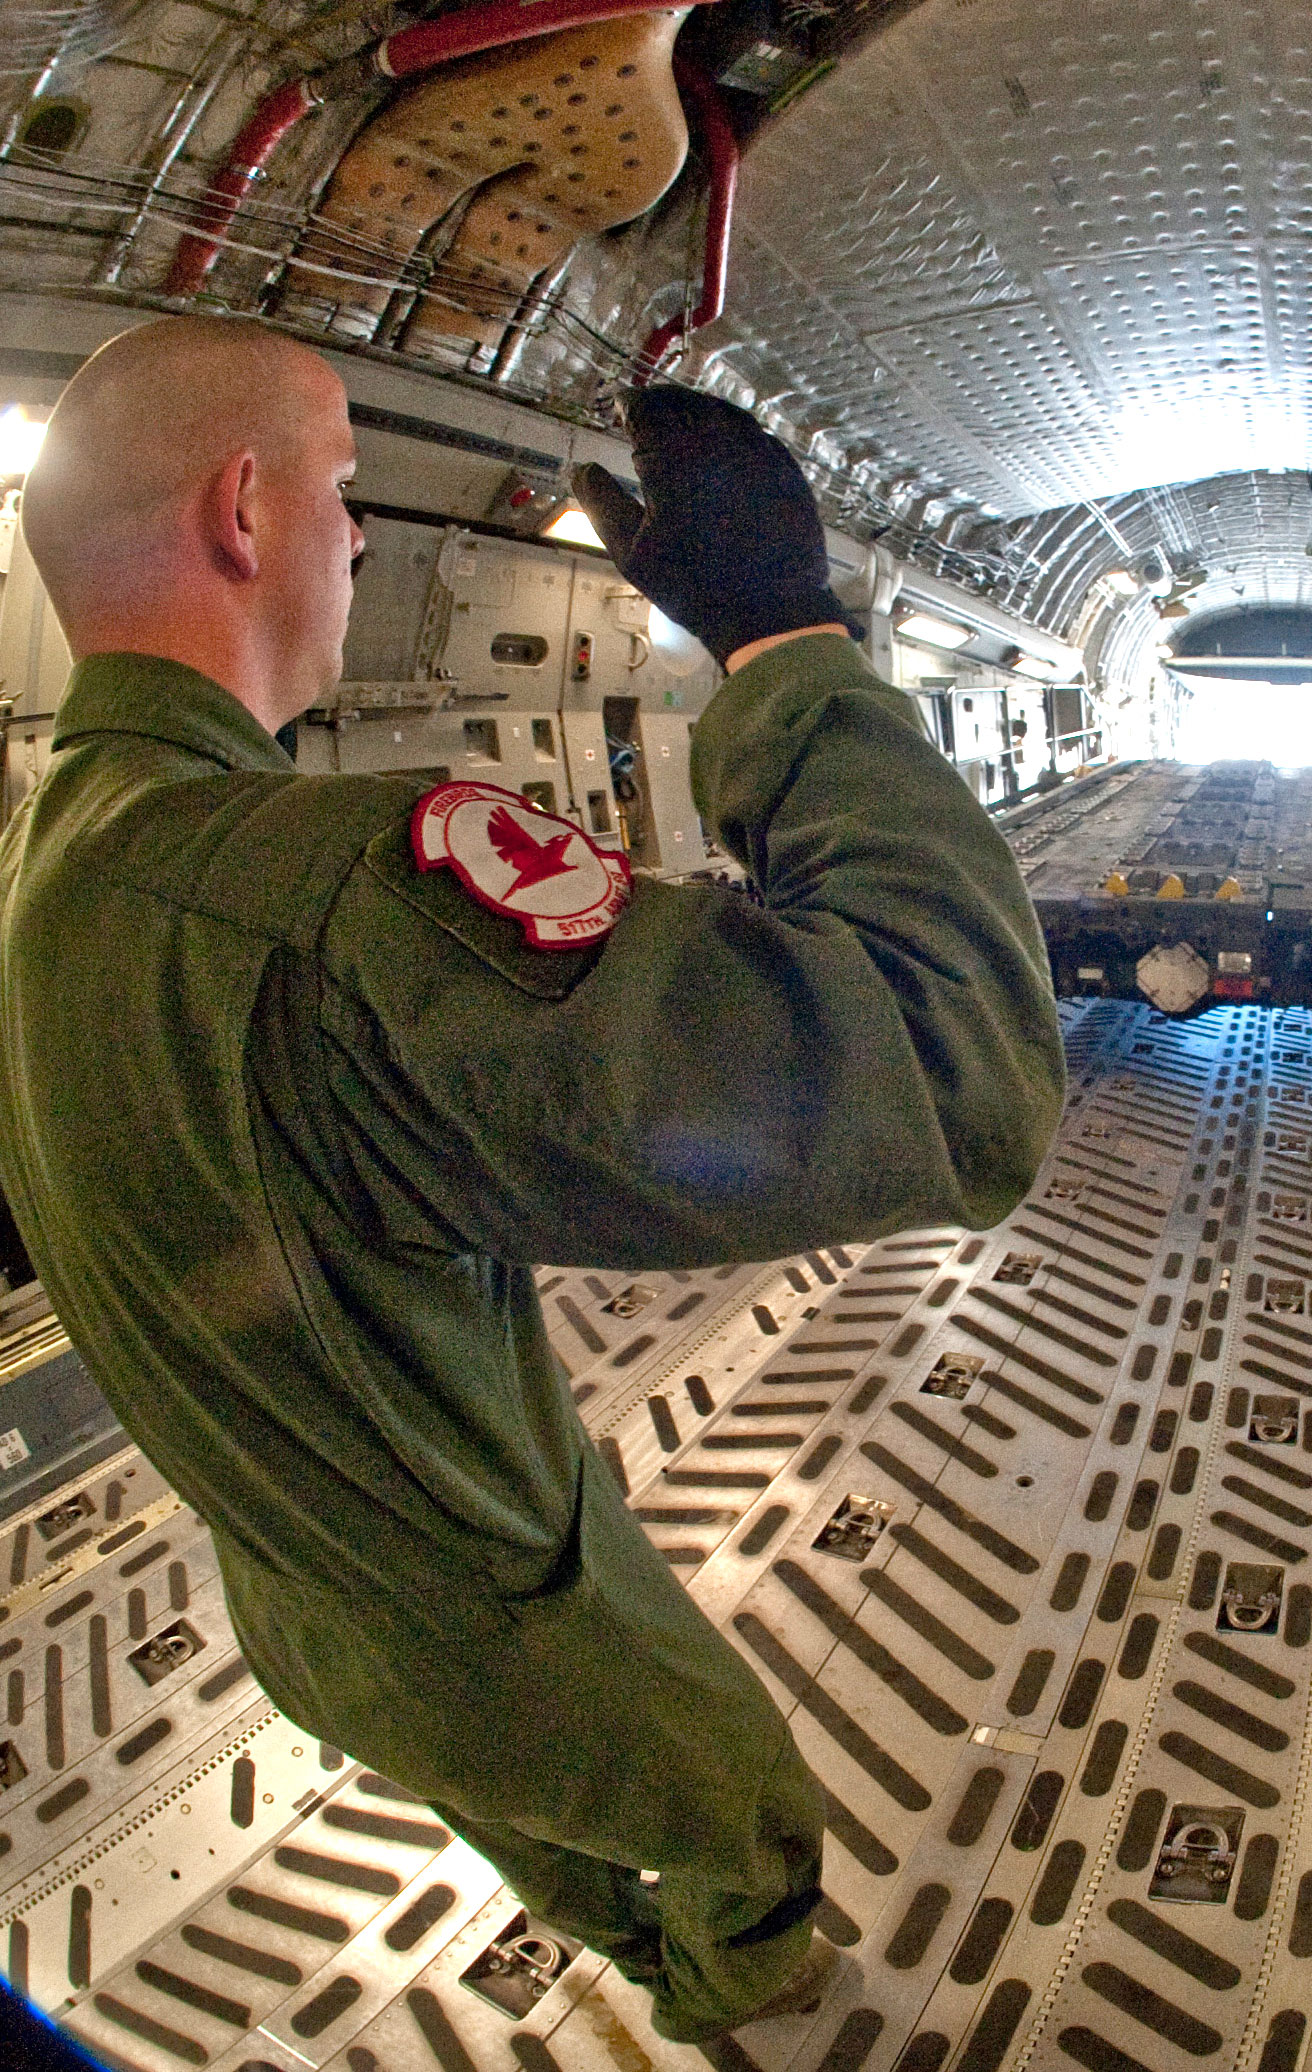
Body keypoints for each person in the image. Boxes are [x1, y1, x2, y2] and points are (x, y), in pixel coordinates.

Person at [0, 317, 1064, 2043]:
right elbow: (954, 1073)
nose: (358, 540)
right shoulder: (329, 889)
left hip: (302, 1604)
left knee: (544, 1835)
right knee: (740, 1823)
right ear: (248, 510)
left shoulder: (45, 870)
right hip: (510, 1616)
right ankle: (751, 2003)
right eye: (345, 492)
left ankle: (623, 1946)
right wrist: (786, 643)